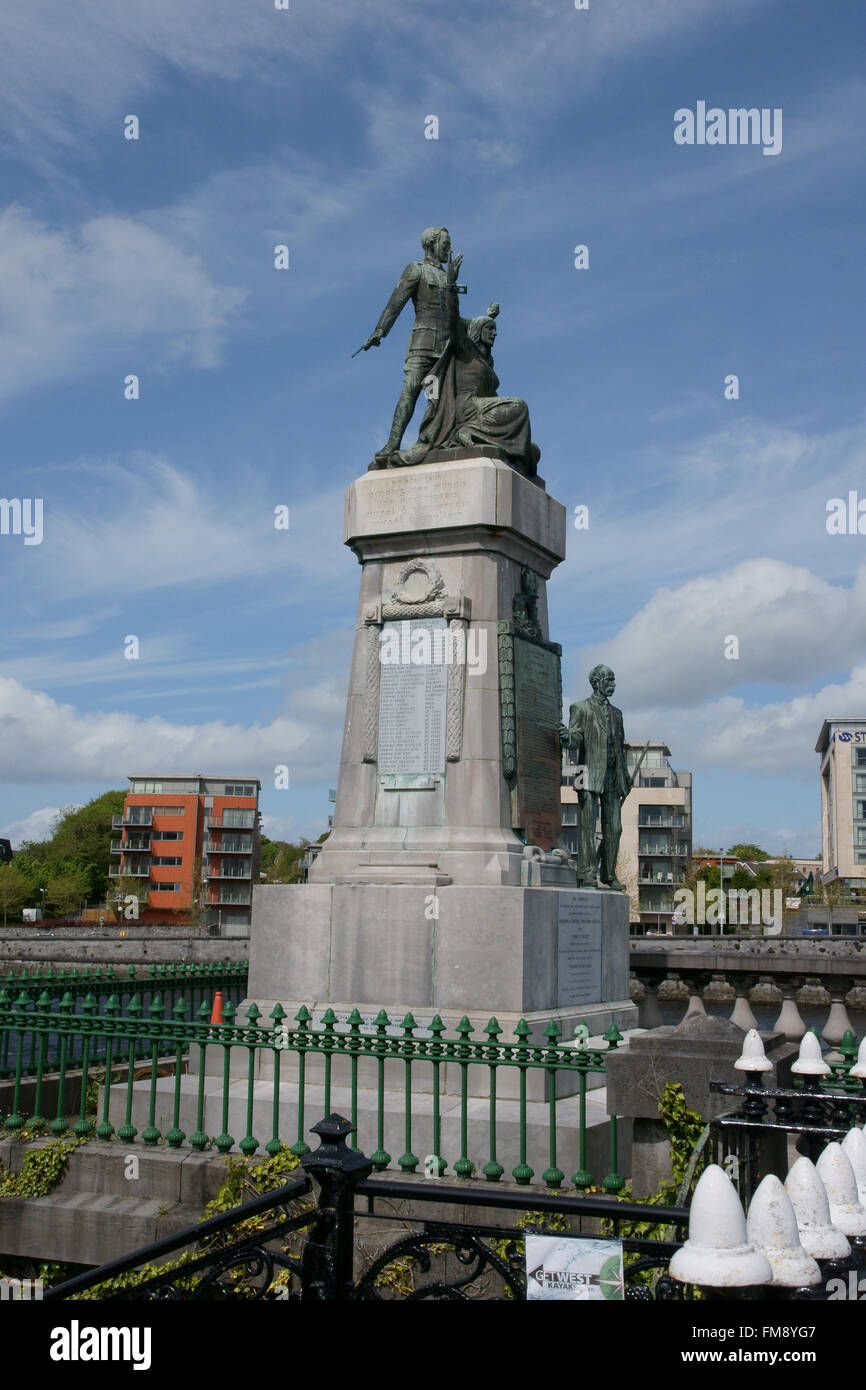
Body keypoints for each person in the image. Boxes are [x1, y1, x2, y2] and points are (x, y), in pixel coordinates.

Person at [394, 257, 540, 477]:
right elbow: (452, 318)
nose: (495, 333)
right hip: (464, 408)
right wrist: (451, 286)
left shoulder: (487, 363)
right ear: (478, 331)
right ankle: (465, 430)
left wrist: (488, 316)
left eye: (494, 329)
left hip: (480, 408)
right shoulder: (464, 348)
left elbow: (493, 396)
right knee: (520, 407)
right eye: (489, 329)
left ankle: (475, 435)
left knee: (532, 450)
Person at [359, 227, 461, 467]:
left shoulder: (448, 275)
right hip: (423, 343)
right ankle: (393, 444)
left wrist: (452, 283)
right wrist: (380, 331)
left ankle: (434, 440)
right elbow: (396, 303)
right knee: (410, 390)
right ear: (431, 244)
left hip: (445, 347)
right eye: (445, 244)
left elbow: (453, 313)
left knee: (438, 397)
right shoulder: (416, 269)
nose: (449, 249)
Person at [560, 665, 630, 890]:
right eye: (609, 680)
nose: (613, 684)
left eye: (614, 680)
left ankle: (609, 874)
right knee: (587, 827)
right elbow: (576, 737)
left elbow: (620, 748)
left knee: (615, 828)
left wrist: (625, 777)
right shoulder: (580, 708)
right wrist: (567, 737)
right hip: (587, 773)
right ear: (596, 682)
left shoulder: (617, 714)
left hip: (612, 775)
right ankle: (587, 873)